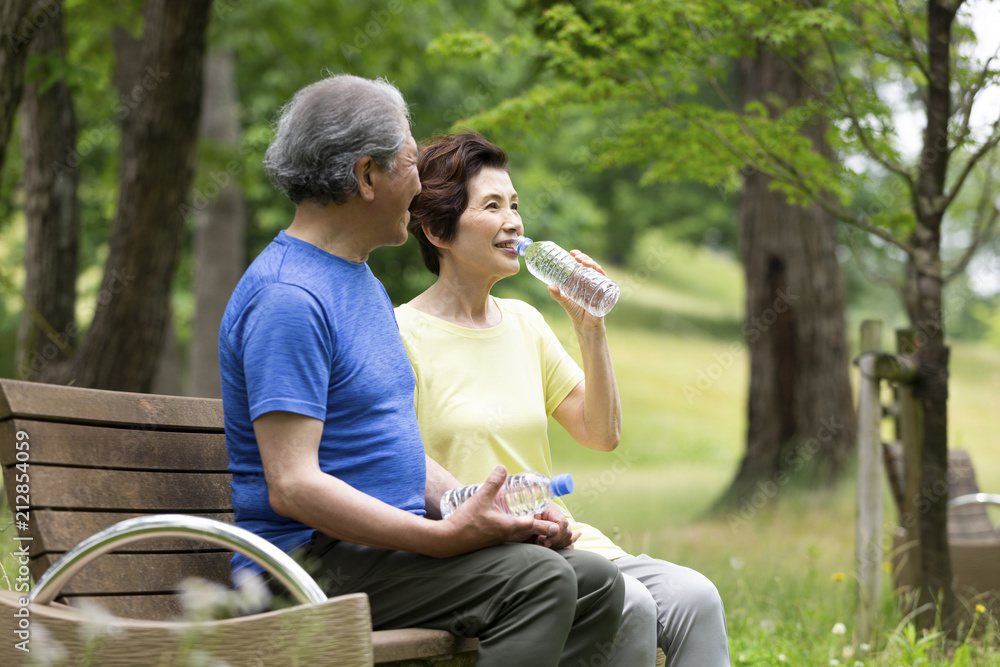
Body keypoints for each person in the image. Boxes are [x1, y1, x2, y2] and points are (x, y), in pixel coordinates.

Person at [218, 75, 625, 667]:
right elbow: (292, 484)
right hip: (303, 569)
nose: (421, 183)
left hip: (372, 553)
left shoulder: (356, 281)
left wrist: (491, 508)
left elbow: (393, 449)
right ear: (366, 177)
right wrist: (440, 537)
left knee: (594, 579)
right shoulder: (289, 297)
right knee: (539, 581)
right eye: (410, 162)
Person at [396, 131, 732, 666]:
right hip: (483, 553)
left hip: (561, 538)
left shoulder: (526, 323)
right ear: (438, 230)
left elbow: (601, 434)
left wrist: (590, 328)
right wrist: (509, 521)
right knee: (635, 604)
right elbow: (406, 469)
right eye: (492, 206)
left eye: (514, 205)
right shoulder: (401, 336)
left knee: (696, 597)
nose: (514, 222)